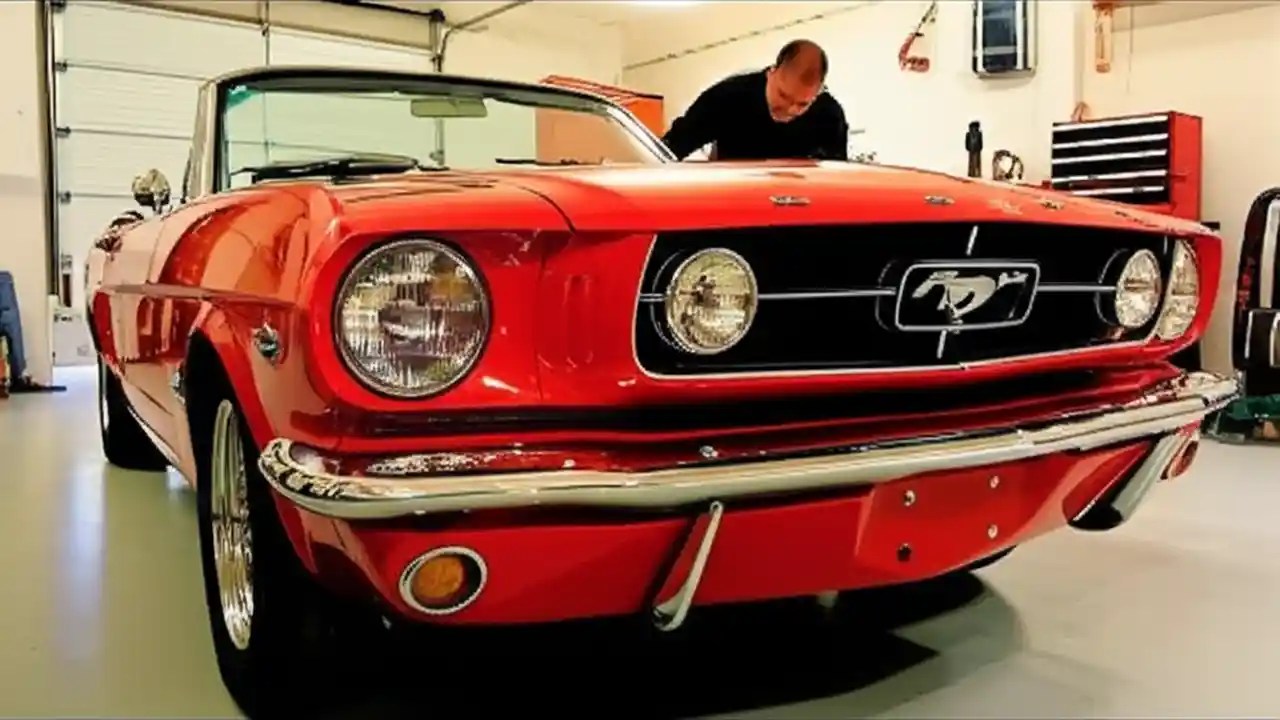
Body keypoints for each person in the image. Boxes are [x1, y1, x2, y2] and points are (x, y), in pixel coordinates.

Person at [661, 39, 849, 162]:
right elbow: (672, 148)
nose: (790, 109)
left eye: (803, 104)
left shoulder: (829, 116)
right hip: (733, 200)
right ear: (772, 72)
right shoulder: (727, 97)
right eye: (783, 95)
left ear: (819, 92)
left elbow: (839, 178)